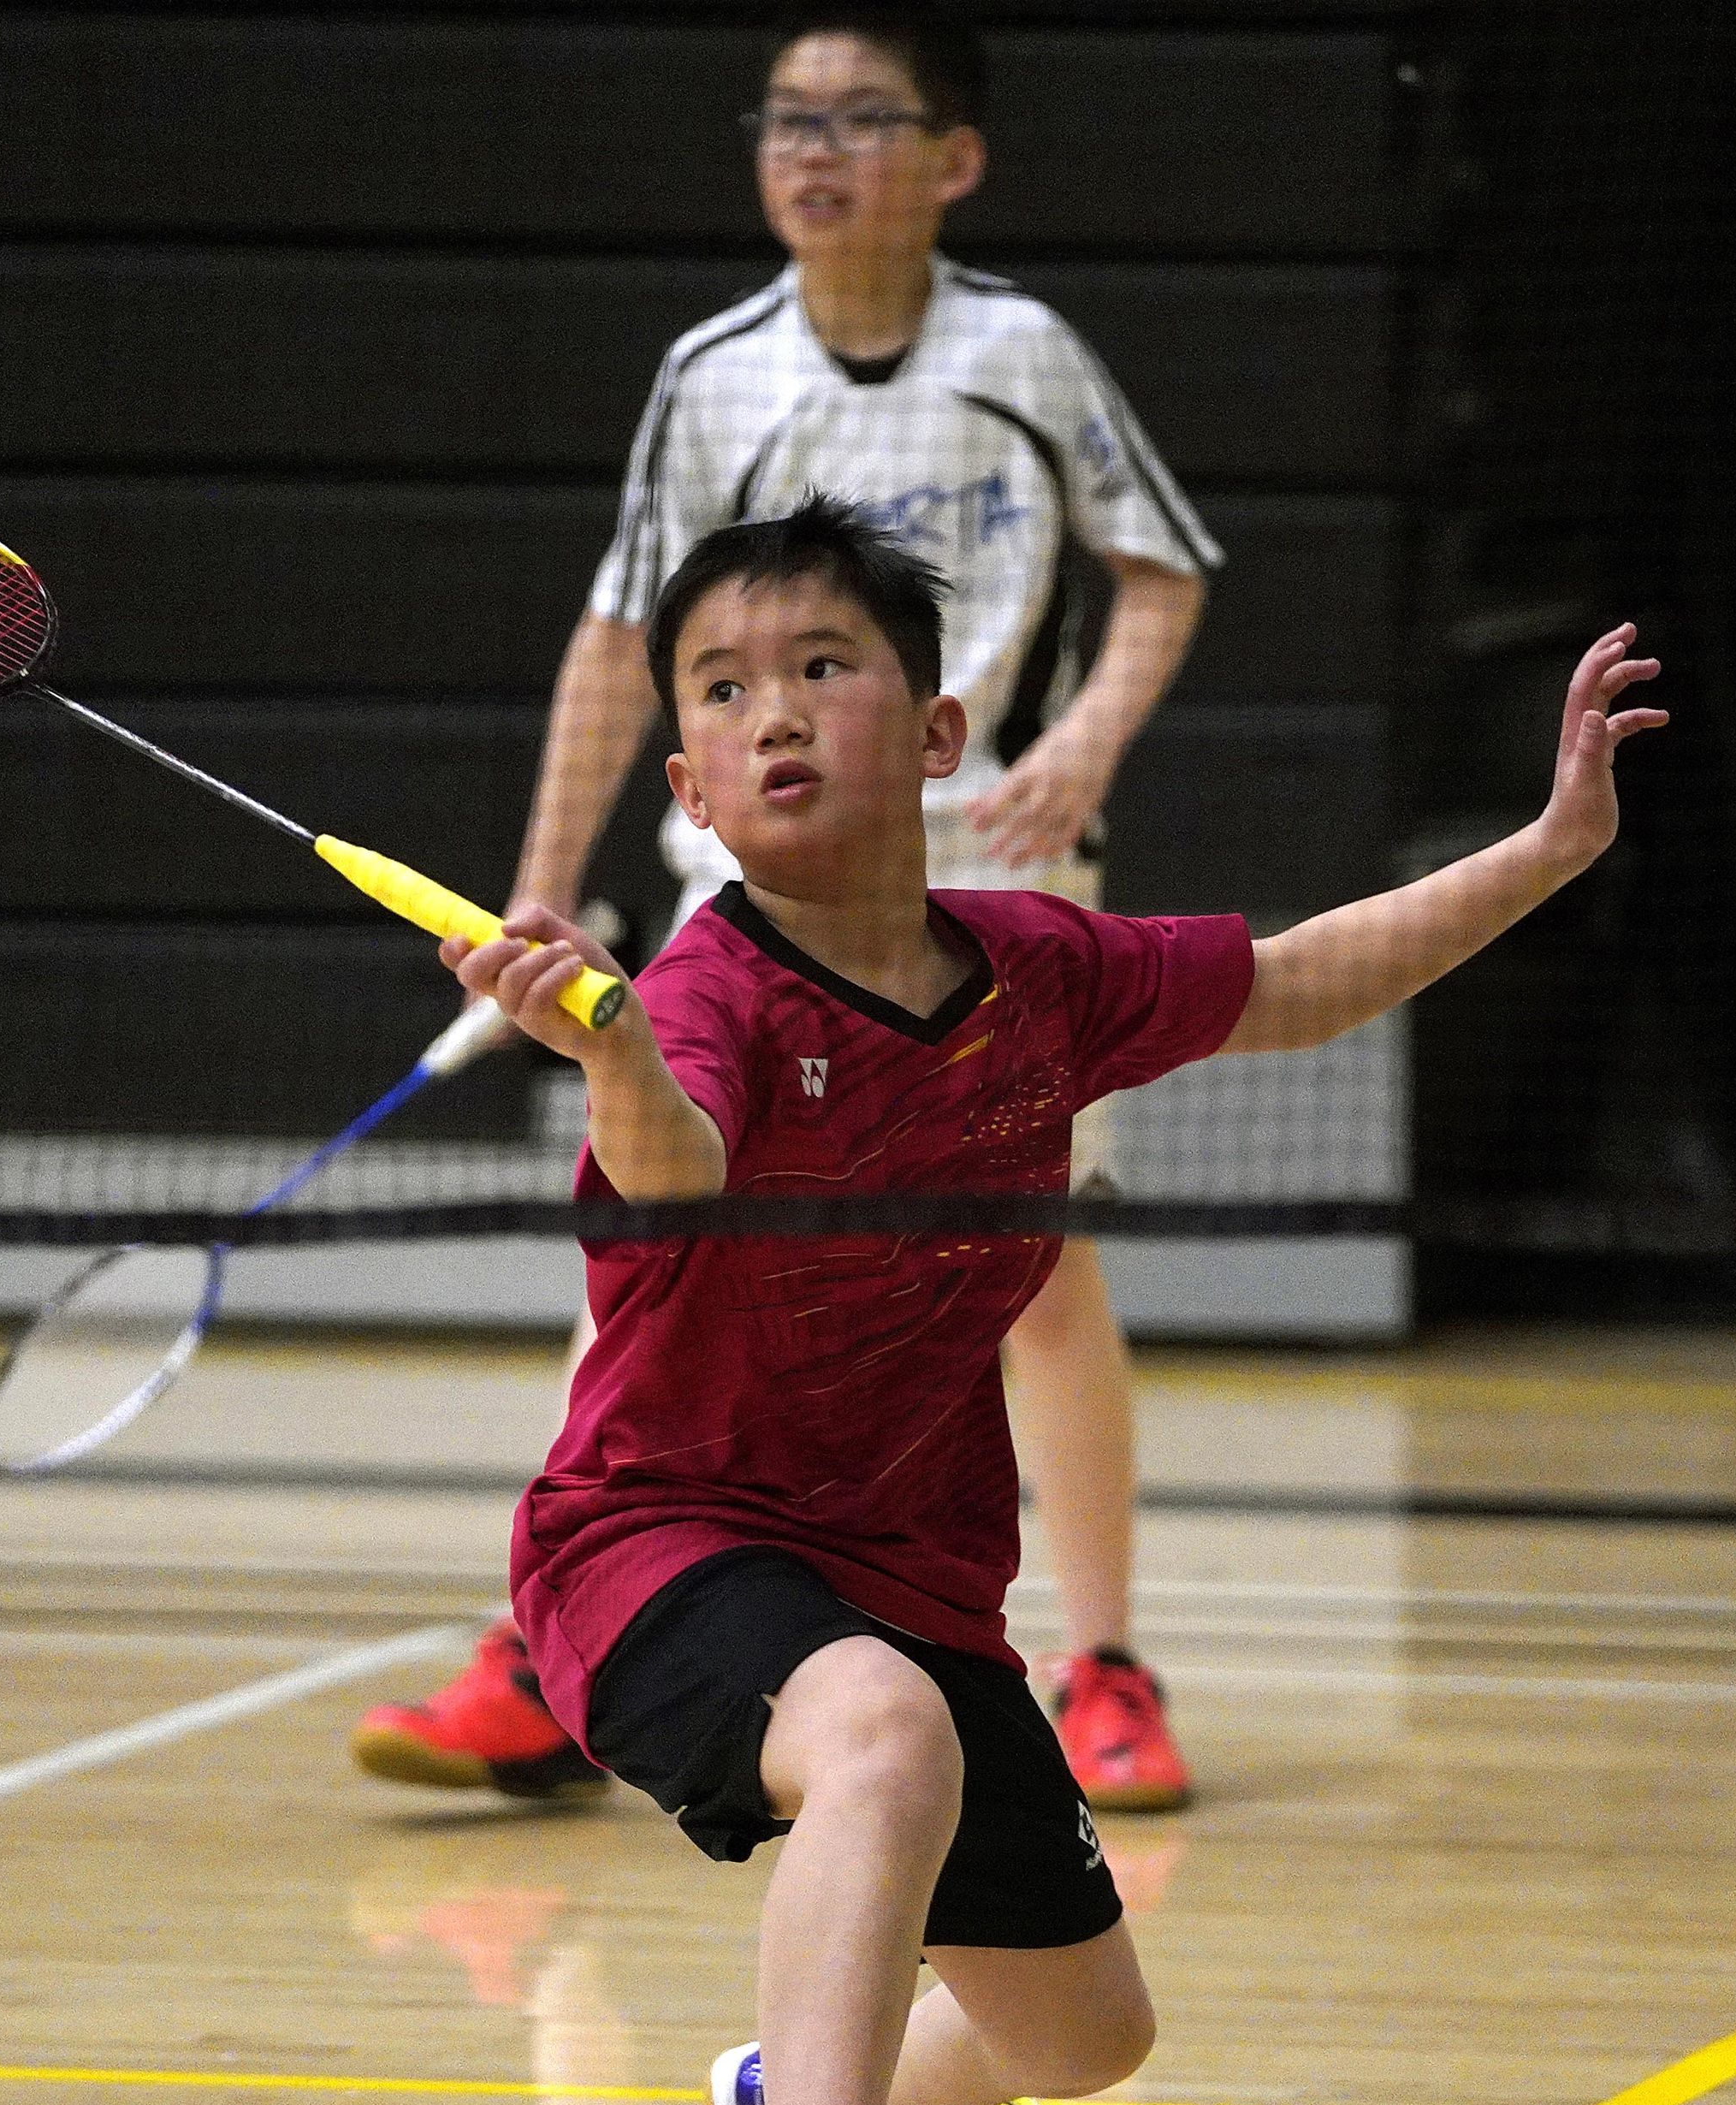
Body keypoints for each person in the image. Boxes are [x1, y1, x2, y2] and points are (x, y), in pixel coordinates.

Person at [435, 496, 1663, 2105]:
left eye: (822, 669)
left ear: (935, 733)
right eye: (727, 691)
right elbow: (678, 1170)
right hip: (661, 1553)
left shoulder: (1039, 973)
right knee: (880, 1745)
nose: (774, 717)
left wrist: (1547, 847)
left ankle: (806, 2095)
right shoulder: (701, 1005)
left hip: (912, 1577)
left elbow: (1302, 981)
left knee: (1085, 2037)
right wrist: (611, 1071)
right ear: (683, 779)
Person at [355, 3, 1218, 1815]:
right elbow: (621, 632)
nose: (814, 150)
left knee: (1035, 1277)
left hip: (989, 875)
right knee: (655, 1256)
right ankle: (554, 1647)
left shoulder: (1026, 353)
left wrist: (1080, 746)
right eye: (786, 119)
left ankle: (1110, 1665)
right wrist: (538, 868)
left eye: (860, 118)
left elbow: (1161, 570)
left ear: (955, 159)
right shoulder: (713, 373)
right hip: (741, 903)